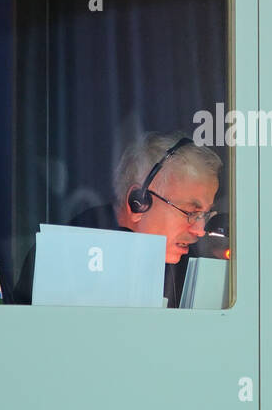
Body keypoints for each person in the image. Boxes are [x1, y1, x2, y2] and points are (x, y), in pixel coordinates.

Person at [13, 131, 222, 306]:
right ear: (138, 202)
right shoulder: (64, 255)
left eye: (204, 214)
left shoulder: (186, 263)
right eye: (191, 212)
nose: (200, 230)